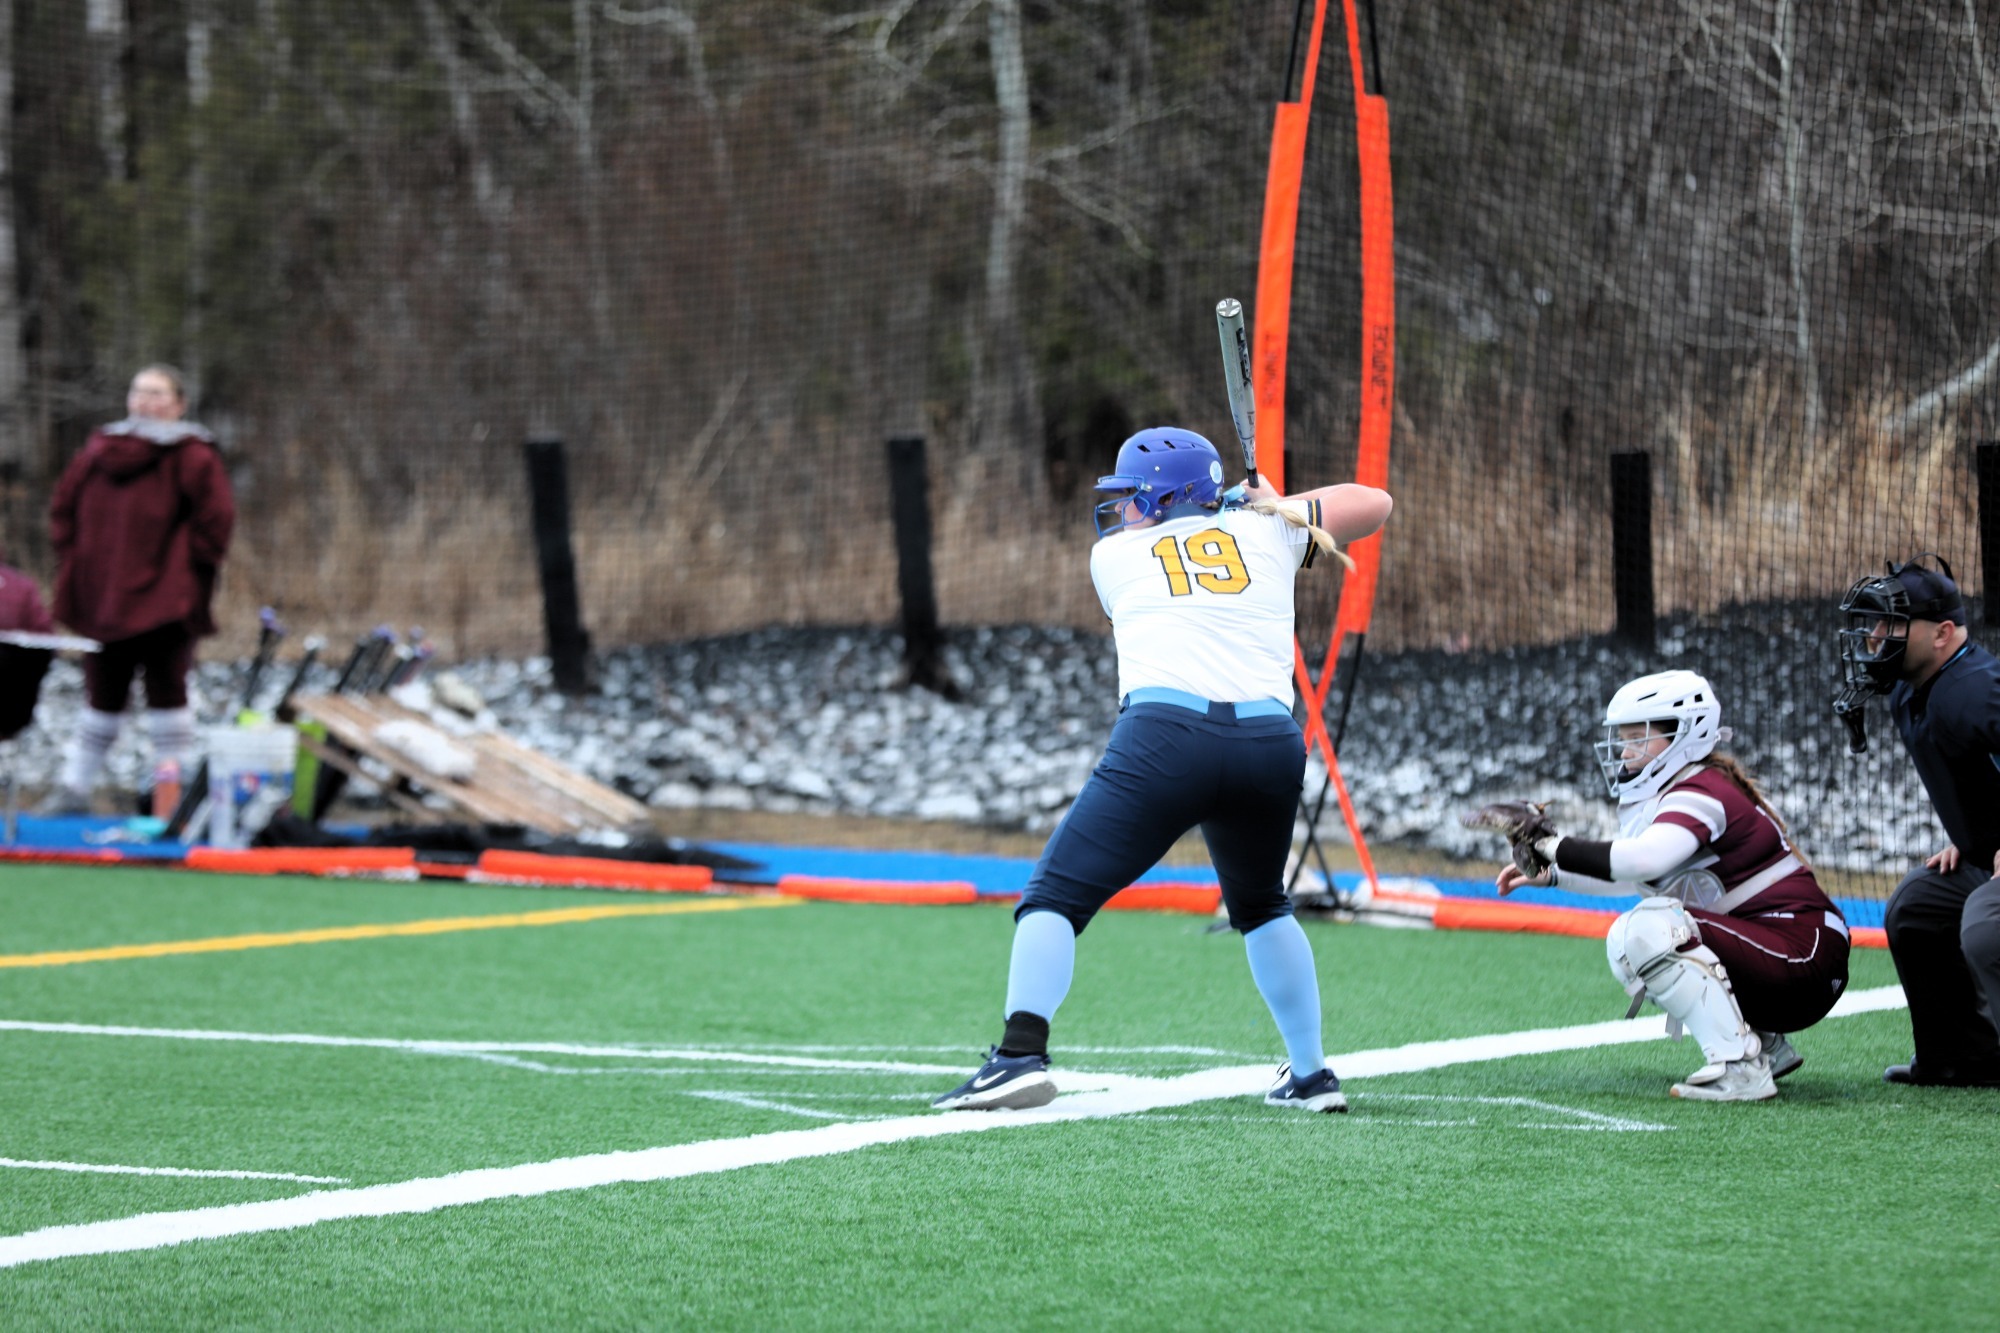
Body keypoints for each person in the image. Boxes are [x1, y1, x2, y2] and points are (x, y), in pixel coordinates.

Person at [932, 426, 1394, 1113]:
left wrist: (1250, 507)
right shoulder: (1270, 532)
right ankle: (1312, 1073)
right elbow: (1374, 501)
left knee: (1053, 895)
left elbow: (1188, 547)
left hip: (1168, 736)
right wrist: (1276, 504)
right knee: (1264, 904)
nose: (1122, 510)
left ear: (1170, 498)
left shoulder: (1115, 556)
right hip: (1271, 743)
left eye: (1134, 496)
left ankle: (1019, 1055)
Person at [1494, 669, 1850, 1102]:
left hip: (1804, 955)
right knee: (1628, 940)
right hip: (1791, 956)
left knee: (1646, 930)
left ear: (1685, 734)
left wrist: (1553, 846)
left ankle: (1740, 1066)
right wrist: (1554, 875)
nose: (1624, 752)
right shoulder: (1685, 790)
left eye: (1637, 738)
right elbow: (1641, 876)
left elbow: (1644, 859)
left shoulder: (1700, 791)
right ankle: (1765, 1045)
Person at [39, 364, 235, 813]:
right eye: (139, 392)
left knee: (168, 693)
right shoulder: (97, 451)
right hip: (102, 598)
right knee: (102, 696)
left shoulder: (192, 456)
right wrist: (80, 564)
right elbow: (63, 511)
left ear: (179, 404)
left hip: (167, 604)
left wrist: (183, 573)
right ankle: (74, 789)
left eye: (157, 393)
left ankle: (170, 796)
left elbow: (216, 522)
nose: (146, 401)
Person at [1836, 554, 2000, 1088]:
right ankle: (1963, 1057)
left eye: (1894, 625)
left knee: (1985, 926)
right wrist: (1972, 837)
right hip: (1986, 860)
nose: (1877, 637)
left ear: (1944, 633)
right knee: (1917, 908)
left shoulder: (1975, 691)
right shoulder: (1913, 689)